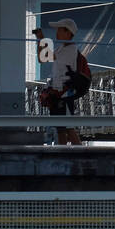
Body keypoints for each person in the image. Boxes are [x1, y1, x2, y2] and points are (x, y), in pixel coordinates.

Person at [32, 17, 83, 146]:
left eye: (60, 30)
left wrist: (42, 38)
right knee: (60, 128)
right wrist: (40, 40)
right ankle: (63, 151)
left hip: (64, 93)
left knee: (68, 126)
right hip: (57, 91)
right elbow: (43, 59)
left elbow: (48, 56)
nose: (57, 33)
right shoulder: (61, 48)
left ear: (68, 32)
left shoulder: (71, 49)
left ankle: (81, 154)